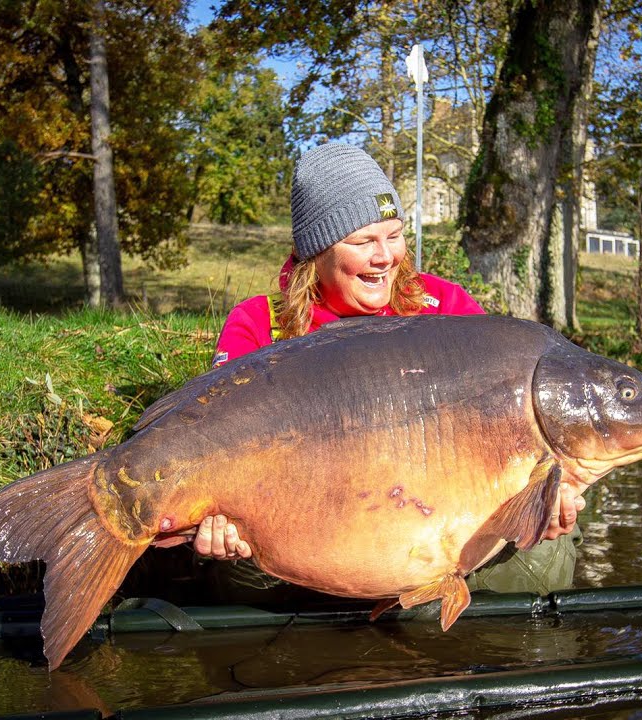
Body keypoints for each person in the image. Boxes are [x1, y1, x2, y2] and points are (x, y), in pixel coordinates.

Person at [189, 142, 584, 600]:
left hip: (439, 536)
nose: (385, 258)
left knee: (547, 555)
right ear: (315, 251)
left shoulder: (449, 308)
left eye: (394, 235)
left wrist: (553, 495)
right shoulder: (258, 324)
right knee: (228, 565)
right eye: (362, 242)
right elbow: (208, 436)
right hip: (311, 545)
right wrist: (217, 525)